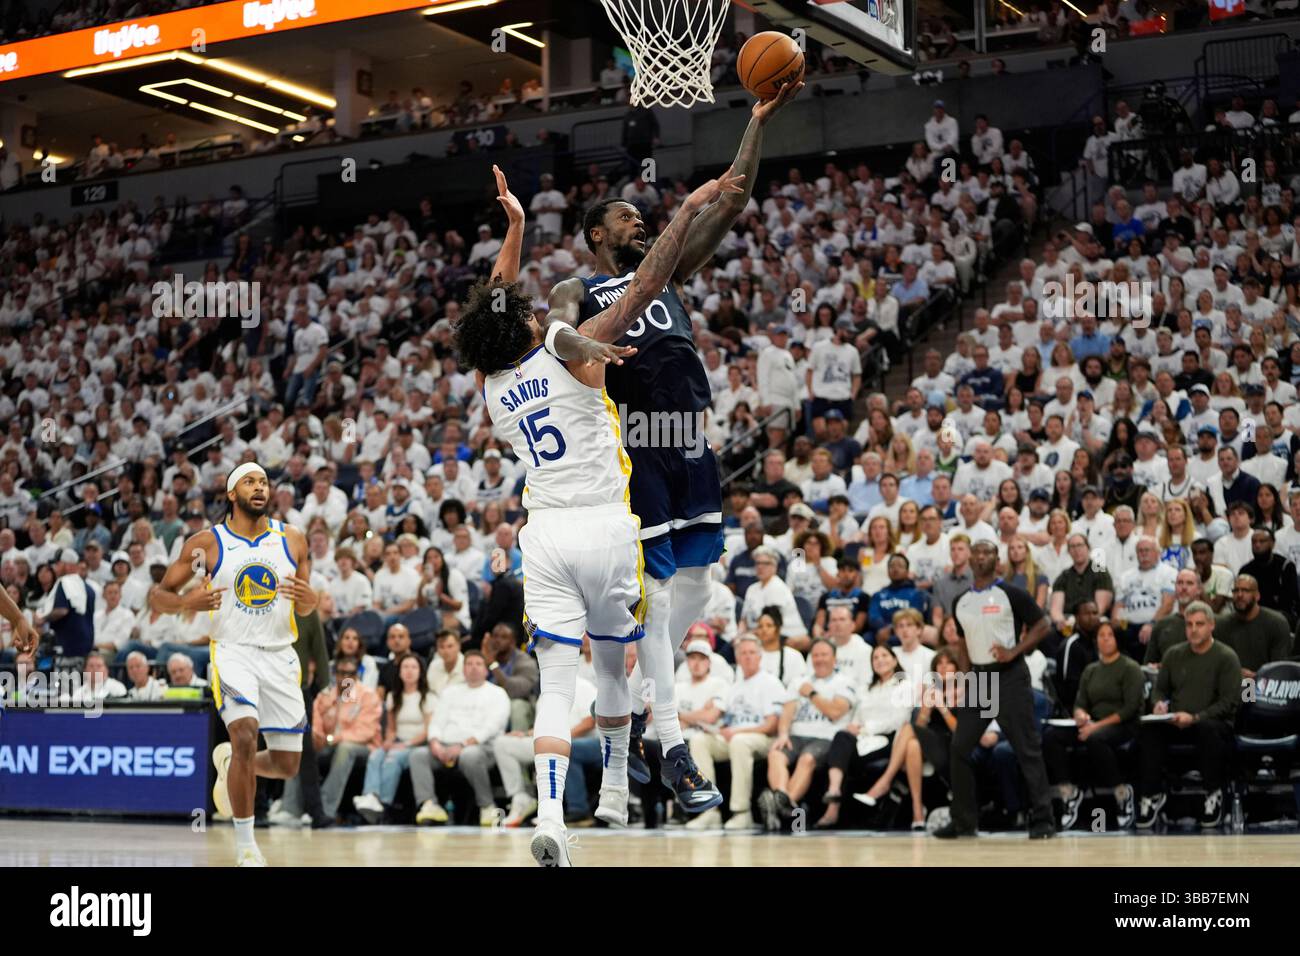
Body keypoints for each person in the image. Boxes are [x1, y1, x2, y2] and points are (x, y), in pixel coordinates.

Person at [457, 166, 739, 861]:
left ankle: (554, 818)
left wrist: (518, 228)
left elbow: (493, 300)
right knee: (615, 667)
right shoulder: (564, 355)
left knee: (557, 688)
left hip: (543, 536)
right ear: (529, 325)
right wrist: (692, 204)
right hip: (609, 529)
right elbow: (644, 288)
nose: (527, 305)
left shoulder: (492, 386)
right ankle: (621, 776)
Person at [547, 83, 803, 824]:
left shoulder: (669, 268)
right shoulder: (582, 283)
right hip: (636, 448)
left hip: (690, 438)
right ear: (598, 234)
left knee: (696, 584)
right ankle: (669, 737)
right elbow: (558, 333)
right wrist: (585, 342)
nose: (639, 221)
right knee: (655, 600)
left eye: (641, 216)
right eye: (626, 216)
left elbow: (734, 198)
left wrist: (753, 125)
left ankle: (648, 678)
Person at [150, 461, 316, 867]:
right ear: (231, 493)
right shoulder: (206, 545)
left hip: (280, 654)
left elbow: (308, 602)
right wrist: (186, 602)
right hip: (233, 650)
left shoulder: (292, 539)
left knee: (286, 764)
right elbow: (158, 596)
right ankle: (246, 845)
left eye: (263, 482)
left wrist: (311, 601)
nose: (259, 488)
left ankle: (230, 764)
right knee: (244, 735)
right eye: (249, 482)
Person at [945, 540, 1055, 839]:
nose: (981, 557)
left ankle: (1043, 819)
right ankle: (964, 822)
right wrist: (966, 678)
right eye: (977, 552)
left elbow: (1042, 624)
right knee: (959, 748)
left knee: (1026, 749)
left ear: (997, 560)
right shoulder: (961, 601)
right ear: (969, 559)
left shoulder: (1012, 593)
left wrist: (1014, 650)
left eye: (988, 553)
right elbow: (964, 642)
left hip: (1009, 676)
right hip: (980, 680)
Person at [1137, 601, 1242, 830]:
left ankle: (1213, 794)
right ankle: (1151, 795)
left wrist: (1195, 718)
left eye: (1200, 624)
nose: (1193, 629)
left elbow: (1229, 703)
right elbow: (1160, 689)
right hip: (1177, 721)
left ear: (1211, 626)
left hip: (1213, 724)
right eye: (1189, 624)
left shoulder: (1226, 657)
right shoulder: (1174, 655)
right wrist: (1158, 704)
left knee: (1209, 729)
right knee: (1149, 729)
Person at [1043, 620, 1144, 830]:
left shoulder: (1130, 668)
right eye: (1101, 635)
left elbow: (1130, 709)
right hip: (1093, 723)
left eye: (1109, 635)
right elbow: (1080, 702)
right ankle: (1069, 793)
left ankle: (1122, 794)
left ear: (1118, 639)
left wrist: (1095, 727)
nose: (1105, 639)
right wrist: (1080, 715)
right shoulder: (1091, 670)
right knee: (1052, 736)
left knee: (1094, 738)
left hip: (1124, 724)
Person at [686, 634, 786, 831]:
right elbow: (727, 722)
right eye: (743, 653)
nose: (747, 657)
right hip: (735, 737)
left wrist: (737, 731)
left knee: (739, 741)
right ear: (737, 658)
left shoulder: (770, 683)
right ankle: (710, 811)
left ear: (760, 656)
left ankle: (742, 812)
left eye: (752, 653)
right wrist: (720, 730)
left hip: (764, 739)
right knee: (699, 740)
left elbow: (772, 725)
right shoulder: (735, 686)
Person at [757, 639, 855, 832]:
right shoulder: (799, 681)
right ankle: (785, 804)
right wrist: (783, 734)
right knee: (775, 754)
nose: (819, 659)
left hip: (826, 737)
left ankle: (779, 807)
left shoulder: (845, 682)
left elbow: (835, 712)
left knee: (807, 759)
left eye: (824, 654)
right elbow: (788, 711)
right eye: (815, 655)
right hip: (797, 735)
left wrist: (811, 694)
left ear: (834, 659)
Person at [816, 644, 912, 828]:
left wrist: (865, 729)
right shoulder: (867, 688)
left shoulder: (904, 684)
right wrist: (854, 727)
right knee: (842, 737)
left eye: (884, 655)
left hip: (890, 738)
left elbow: (900, 719)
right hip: (863, 738)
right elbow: (858, 716)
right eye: (875, 658)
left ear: (894, 660)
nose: (880, 660)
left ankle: (835, 809)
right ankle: (834, 794)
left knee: (844, 753)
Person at [352, 652, 435, 824]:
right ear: (399, 671)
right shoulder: (393, 696)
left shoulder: (428, 696)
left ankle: (384, 804)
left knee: (392, 759)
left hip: (418, 744)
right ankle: (371, 796)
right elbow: (391, 728)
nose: (409, 671)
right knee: (376, 754)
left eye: (414, 667)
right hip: (398, 741)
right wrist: (389, 740)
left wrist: (406, 744)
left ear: (421, 671)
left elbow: (428, 731)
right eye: (405, 667)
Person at [311, 656, 382, 822]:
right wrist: (317, 736)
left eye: (350, 673)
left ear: (357, 675)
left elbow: (366, 732)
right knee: (304, 749)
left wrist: (333, 738)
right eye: (341, 673)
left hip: (364, 747)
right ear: (335, 674)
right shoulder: (326, 695)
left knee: (345, 748)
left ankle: (325, 809)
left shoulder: (367, 695)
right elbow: (315, 721)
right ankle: (291, 808)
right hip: (330, 744)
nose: (345, 677)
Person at [1213, 574, 1294, 678]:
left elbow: (1280, 669)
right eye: (1236, 591)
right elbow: (1217, 664)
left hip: (1266, 687)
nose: (1240, 595)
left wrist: (1256, 677)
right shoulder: (1221, 624)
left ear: (1257, 596)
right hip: (1232, 684)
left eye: (1245, 590)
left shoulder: (1276, 623)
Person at [1239, 530, 1300, 629]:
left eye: (1262, 541)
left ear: (1272, 543)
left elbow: (1290, 602)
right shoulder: (1246, 570)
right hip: (1252, 615)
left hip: (1281, 616)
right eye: (1254, 542)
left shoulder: (1285, 567)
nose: (1257, 545)